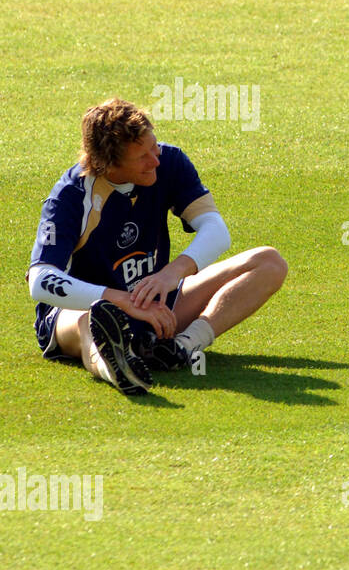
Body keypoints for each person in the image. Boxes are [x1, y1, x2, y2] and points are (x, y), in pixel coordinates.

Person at [27, 97, 287, 395]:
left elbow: (216, 230)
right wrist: (118, 300)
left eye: (154, 146)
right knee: (93, 322)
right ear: (109, 164)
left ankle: (182, 347)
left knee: (269, 262)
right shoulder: (70, 197)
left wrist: (171, 274)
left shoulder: (170, 162)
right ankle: (116, 369)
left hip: (157, 304)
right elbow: (40, 281)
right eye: (142, 157)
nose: (155, 160)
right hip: (81, 313)